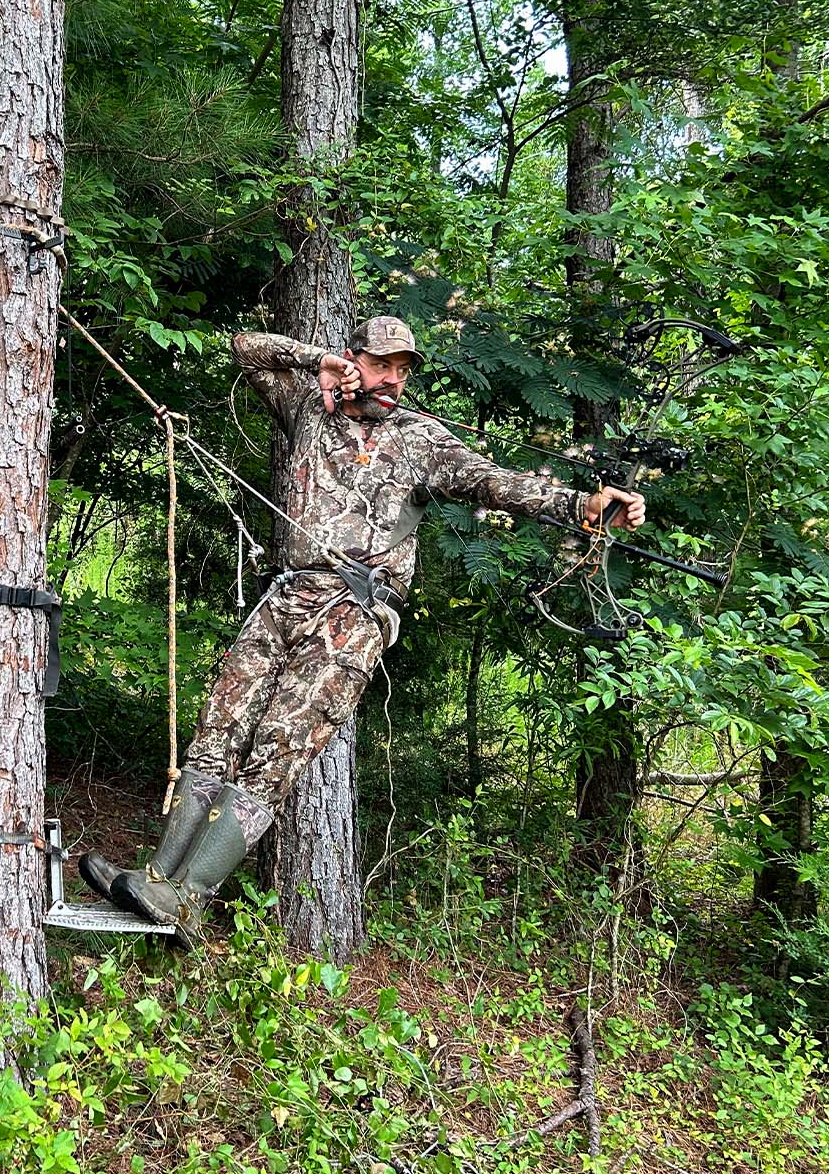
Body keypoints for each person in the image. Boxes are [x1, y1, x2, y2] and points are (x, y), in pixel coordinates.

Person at [80, 316, 645, 941]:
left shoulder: (422, 439)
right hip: (287, 597)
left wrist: (582, 506)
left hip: (352, 615)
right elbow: (243, 347)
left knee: (276, 752)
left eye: (404, 371)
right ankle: (155, 877)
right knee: (217, 732)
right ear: (356, 361)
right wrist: (319, 361)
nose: (394, 381)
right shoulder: (310, 404)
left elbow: (495, 481)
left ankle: (189, 898)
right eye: (383, 366)